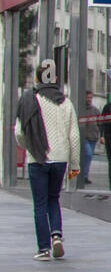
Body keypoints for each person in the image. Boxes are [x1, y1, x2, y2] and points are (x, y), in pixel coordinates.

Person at [13, 61, 80, 261]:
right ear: (55, 79)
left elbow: (19, 132)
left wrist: (31, 147)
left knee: (40, 204)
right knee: (53, 199)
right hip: (60, 160)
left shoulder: (29, 100)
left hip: (38, 159)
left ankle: (43, 249)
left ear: (37, 78)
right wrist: (74, 165)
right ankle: (57, 236)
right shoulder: (66, 103)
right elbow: (74, 136)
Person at [79, 91, 100, 187]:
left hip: (93, 136)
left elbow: (100, 122)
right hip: (84, 137)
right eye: (87, 97)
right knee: (87, 154)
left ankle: (85, 175)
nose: (89, 99)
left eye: (90, 98)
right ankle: (83, 175)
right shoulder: (80, 109)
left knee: (89, 157)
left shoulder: (95, 110)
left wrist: (101, 134)